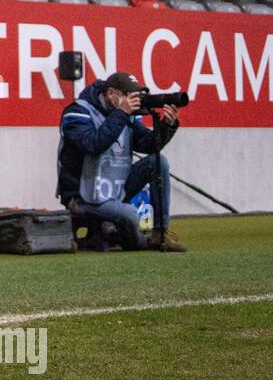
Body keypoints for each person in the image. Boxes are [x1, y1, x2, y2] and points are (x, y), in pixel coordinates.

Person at [56, 72, 186, 252]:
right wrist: (121, 113)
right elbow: (93, 144)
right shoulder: (77, 112)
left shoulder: (126, 115)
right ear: (111, 94)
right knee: (133, 215)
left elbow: (147, 145)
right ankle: (136, 241)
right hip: (81, 195)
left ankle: (159, 232)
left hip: (115, 189)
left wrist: (167, 125)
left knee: (158, 162)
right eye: (128, 96)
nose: (134, 101)